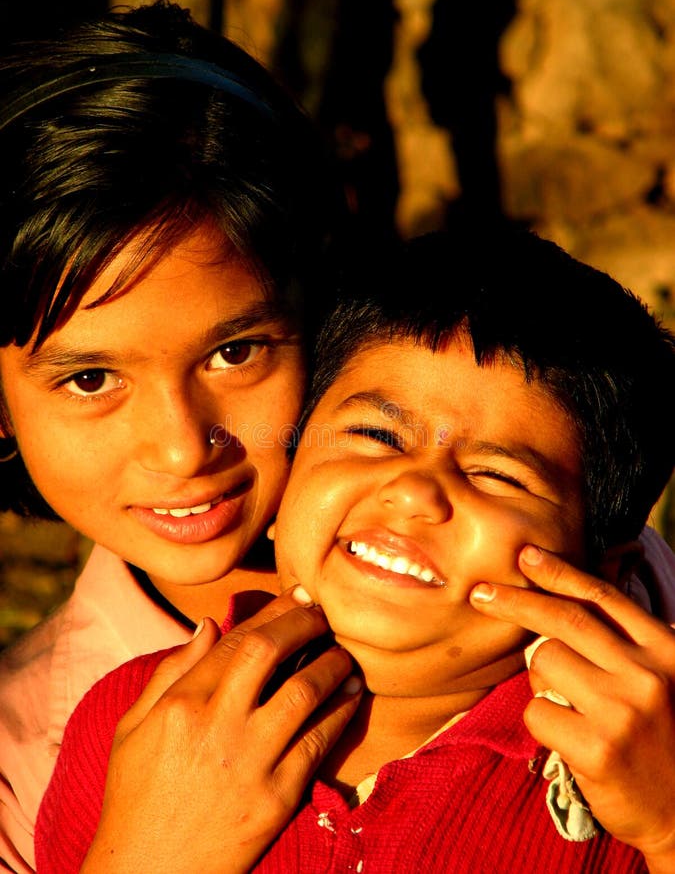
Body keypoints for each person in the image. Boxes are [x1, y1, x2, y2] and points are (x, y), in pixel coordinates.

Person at [36, 226, 675, 872]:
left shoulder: (638, 760)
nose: (414, 491)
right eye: (375, 434)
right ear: (289, 473)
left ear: (604, 566)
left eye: (497, 476)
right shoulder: (134, 723)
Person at [0, 0, 363, 874]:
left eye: (236, 352)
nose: (180, 449)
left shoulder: (538, 566)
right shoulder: (17, 771)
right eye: (91, 379)